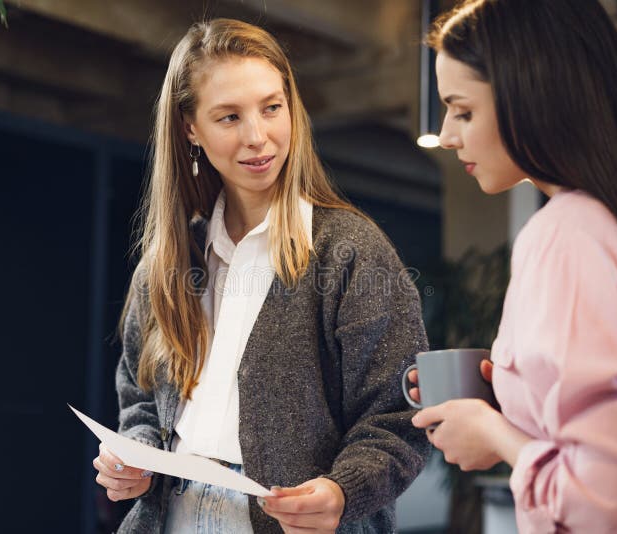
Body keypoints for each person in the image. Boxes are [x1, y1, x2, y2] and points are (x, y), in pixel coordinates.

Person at [92, 18, 430, 534]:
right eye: (228, 117)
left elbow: (400, 416)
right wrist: (134, 456)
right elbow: (140, 398)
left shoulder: (350, 251)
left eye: (272, 108)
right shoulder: (169, 263)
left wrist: (343, 491)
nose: (258, 137)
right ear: (191, 128)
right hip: (168, 516)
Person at [408, 0, 617, 532]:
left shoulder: (567, 234)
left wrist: (493, 434)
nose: (446, 135)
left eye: (462, 110)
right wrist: (519, 396)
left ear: (531, 96)